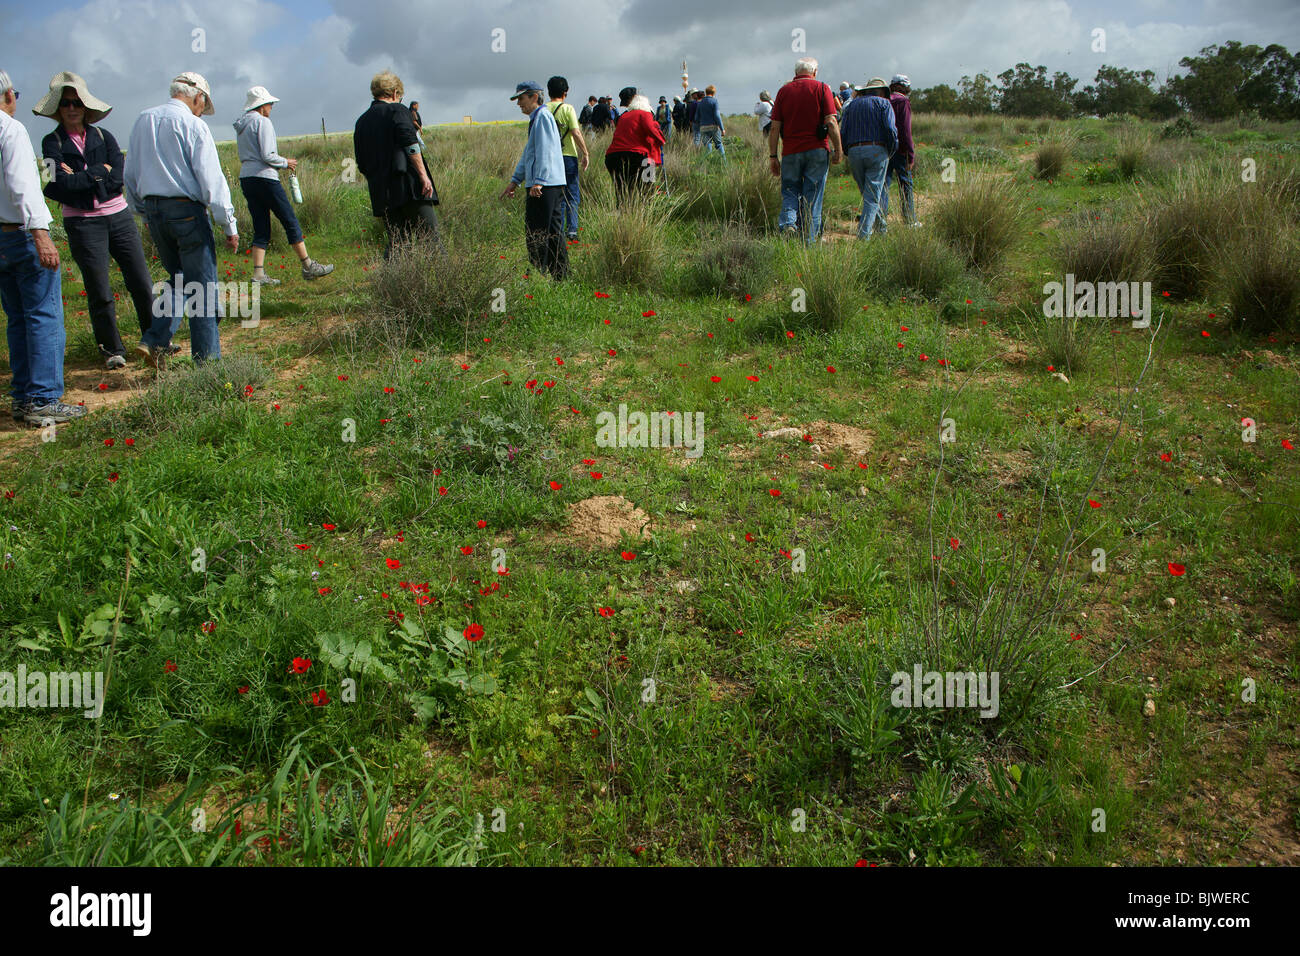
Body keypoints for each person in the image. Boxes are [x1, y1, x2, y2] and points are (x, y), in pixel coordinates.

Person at [34, 71, 155, 371]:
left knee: (141, 280)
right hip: (83, 225)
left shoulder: (105, 136)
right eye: (65, 104)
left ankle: (155, 339)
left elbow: (118, 178)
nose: (72, 108)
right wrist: (97, 171)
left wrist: (78, 177)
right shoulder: (51, 143)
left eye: (76, 102)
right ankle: (112, 349)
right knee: (99, 289)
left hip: (119, 216)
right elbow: (52, 185)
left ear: (86, 106)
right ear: (58, 110)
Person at [124, 71, 238, 367]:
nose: (203, 110)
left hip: (154, 210)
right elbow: (212, 181)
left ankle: (155, 338)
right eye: (204, 104)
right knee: (201, 289)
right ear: (197, 97)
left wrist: (143, 211)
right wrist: (228, 224)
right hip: (186, 211)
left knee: (179, 280)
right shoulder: (194, 125)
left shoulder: (143, 120)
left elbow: (130, 174)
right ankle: (207, 365)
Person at [1, 70, 84, 425]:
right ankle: (43, 398)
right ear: (7, 96)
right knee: (43, 315)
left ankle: (22, 396)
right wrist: (41, 232)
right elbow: (23, 186)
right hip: (20, 233)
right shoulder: (10, 129)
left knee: (17, 318)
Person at [234, 86, 333, 285]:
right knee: (289, 220)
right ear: (262, 105)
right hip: (266, 178)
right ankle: (308, 265)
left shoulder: (242, 125)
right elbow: (267, 155)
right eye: (270, 104)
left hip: (247, 178)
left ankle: (258, 273)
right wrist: (286, 163)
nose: (271, 107)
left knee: (261, 225)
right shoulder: (263, 123)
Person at [354, 70, 439, 259]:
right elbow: (410, 144)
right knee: (430, 240)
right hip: (409, 187)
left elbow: (361, 163)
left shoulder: (362, 121)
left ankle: (392, 285)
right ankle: (441, 284)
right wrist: (423, 177)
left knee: (398, 244)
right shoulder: (398, 110)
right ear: (394, 93)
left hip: (382, 192)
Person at [768, 57, 842, 244]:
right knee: (813, 197)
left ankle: (789, 224)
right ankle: (808, 243)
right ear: (815, 72)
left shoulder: (783, 92)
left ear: (796, 73)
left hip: (791, 151)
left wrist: (773, 156)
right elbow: (831, 122)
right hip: (817, 150)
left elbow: (775, 128)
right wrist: (838, 149)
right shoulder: (822, 88)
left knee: (790, 191)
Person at [500, 81, 568, 280]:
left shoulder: (542, 117)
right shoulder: (537, 118)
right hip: (549, 183)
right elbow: (529, 153)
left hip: (544, 185)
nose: (518, 103)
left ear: (534, 97)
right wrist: (515, 181)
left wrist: (539, 181)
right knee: (553, 232)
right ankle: (560, 276)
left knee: (536, 231)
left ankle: (538, 275)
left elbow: (545, 150)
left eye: (521, 98)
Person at [839, 79, 897, 239]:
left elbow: (843, 130)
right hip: (877, 149)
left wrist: (846, 150)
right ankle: (863, 236)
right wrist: (891, 149)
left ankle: (881, 229)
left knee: (867, 193)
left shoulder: (851, 106)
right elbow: (891, 129)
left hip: (854, 151)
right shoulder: (884, 104)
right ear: (882, 91)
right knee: (872, 195)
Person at [545, 76, 589, 242]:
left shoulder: (543, 109)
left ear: (549, 91)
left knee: (558, 195)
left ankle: (558, 230)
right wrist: (585, 153)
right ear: (565, 92)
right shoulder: (567, 108)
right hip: (568, 156)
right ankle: (572, 230)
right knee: (572, 194)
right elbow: (575, 132)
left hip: (550, 158)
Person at [604, 93, 665, 204]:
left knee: (623, 190)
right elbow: (651, 130)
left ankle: (624, 214)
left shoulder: (623, 116)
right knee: (646, 189)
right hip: (636, 155)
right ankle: (646, 211)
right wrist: (662, 140)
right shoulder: (644, 114)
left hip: (612, 156)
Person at [881, 74, 919, 227]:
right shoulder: (903, 101)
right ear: (905, 87)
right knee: (905, 184)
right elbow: (905, 129)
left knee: (884, 184)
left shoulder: (884, 100)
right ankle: (909, 220)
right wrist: (910, 154)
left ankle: (880, 220)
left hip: (884, 148)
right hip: (900, 150)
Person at [696, 84, 725, 159]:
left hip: (703, 128)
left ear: (706, 92)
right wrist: (722, 129)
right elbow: (717, 116)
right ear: (713, 93)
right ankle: (724, 163)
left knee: (707, 145)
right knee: (718, 144)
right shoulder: (714, 101)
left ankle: (708, 163)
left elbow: (696, 117)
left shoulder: (700, 103)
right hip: (713, 127)